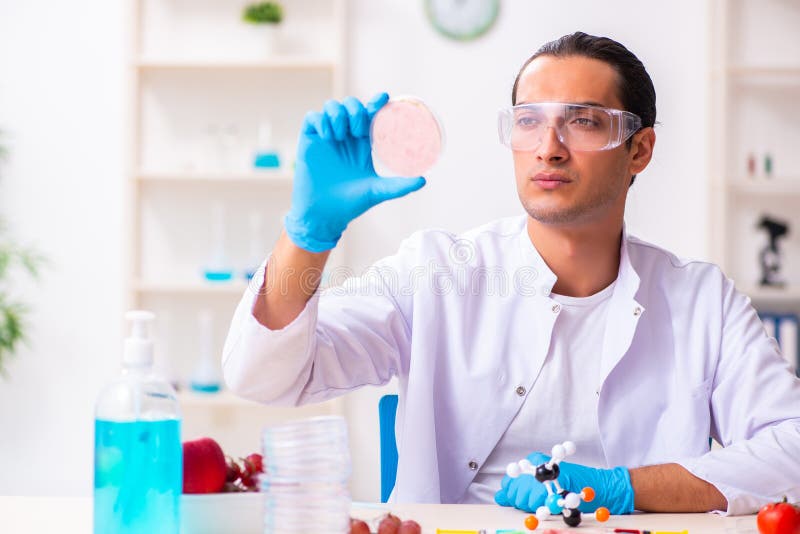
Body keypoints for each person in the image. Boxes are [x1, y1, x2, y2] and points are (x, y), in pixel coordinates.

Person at [222, 32, 800, 515]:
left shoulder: (700, 300)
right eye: (529, 121)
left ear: (639, 150)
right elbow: (264, 379)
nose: (549, 147)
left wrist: (623, 489)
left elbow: (792, 449)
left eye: (584, 122)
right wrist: (307, 237)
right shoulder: (436, 274)